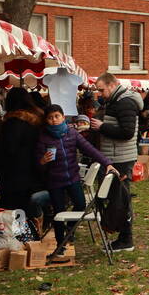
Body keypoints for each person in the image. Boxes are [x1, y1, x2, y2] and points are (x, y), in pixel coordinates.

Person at [35, 105, 116, 263]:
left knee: (80, 205)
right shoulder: (43, 137)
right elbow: (37, 165)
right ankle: (61, 245)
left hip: (72, 178)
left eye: (57, 116)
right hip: (54, 181)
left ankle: (69, 231)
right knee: (58, 213)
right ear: (46, 120)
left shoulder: (71, 133)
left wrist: (107, 163)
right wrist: (42, 161)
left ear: (63, 117)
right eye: (50, 117)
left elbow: (90, 149)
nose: (54, 120)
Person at [91, 73, 142, 252]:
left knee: (121, 200)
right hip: (115, 157)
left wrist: (102, 127)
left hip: (121, 158)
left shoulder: (125, 103)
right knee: (117, 198)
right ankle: (123, 236)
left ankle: (126, 239)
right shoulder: (115, 102)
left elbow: (127, 132)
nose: (100, 94)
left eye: (101, 89)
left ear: (112, 85)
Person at [0, 87, 49, 230]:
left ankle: (22, 245)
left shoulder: (12, 122)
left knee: (15, 216)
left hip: (14, 177)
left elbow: (6, 151)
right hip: (35, 175)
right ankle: (32, 242)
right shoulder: (37, 120)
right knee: (27, 215)